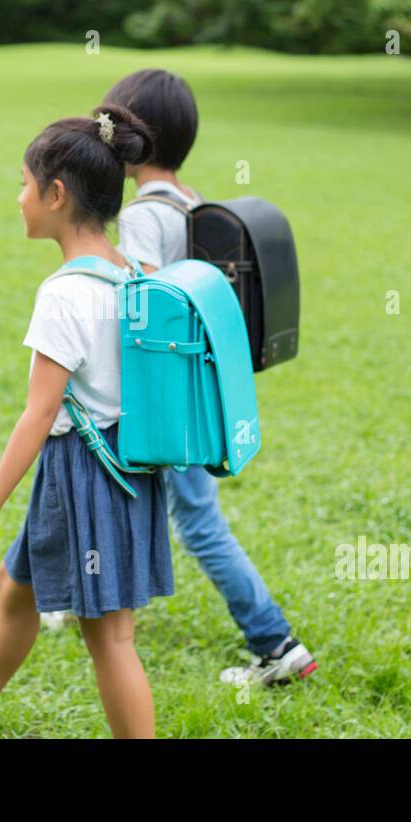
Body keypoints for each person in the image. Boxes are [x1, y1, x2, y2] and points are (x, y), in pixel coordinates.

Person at [0, 105, 172, 738]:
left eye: (23, 183)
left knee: (112, 637)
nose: (18, 198)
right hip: (128, 464)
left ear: (56, 193)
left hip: (87, 475)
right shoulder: (132, 274)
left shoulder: (65, 293)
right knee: (17, 580)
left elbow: (38, 416)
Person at [108, 68, 317, 687]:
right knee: (113, 486)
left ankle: (276, 642)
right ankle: (74, 596)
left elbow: (147, 309)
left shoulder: (143, 218)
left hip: (170, 398)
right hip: (205, 385)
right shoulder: (193, 203)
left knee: (196, 519)